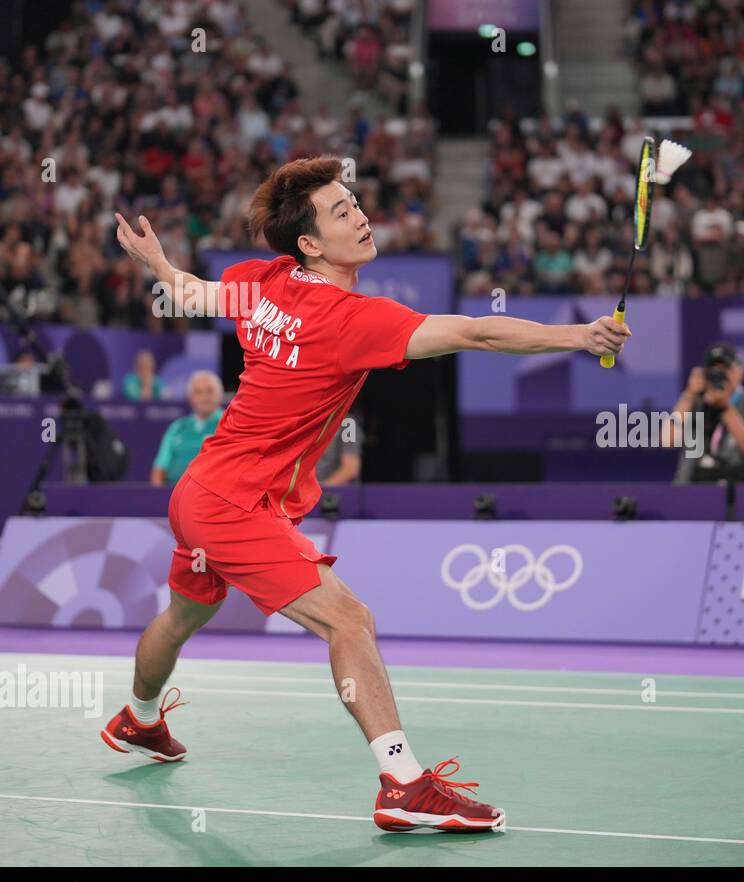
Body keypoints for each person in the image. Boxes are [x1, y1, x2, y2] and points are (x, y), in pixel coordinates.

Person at [103, 156, 629, 833]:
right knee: (349, 620)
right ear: (312, 245)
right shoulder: (351, 320)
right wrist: (579, 336)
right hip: (231, 503)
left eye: (355, 202)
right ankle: (404, 785)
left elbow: (191, 293)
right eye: (342, 211)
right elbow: (475, 331)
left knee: (181, 618)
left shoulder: (259, 281)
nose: (360, 214)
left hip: (201, 491)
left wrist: (159, 266)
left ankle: (140, 721)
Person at [664, 342, 744, 484]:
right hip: (691, 492)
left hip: (738, 494)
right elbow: (668, 440)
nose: (719, 375)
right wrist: (689, 395)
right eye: (713, 369)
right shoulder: (693, 402)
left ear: (740, 372)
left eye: (725, 369)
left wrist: (725, 407)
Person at [150, 371, 224, 486]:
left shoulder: (229, 425)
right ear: (190, 397)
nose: (204, 396)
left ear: (220, 395)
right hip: (174, 493)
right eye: (198, 392)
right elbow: (160, 468)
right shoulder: (177, 427)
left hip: (214, 494)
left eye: (210, 391)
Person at [317, 407, 363, 486]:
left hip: (334, 492)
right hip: (305, 491)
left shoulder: (348, 423)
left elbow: (350, 468)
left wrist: (321, 490)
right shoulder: (306, 421)